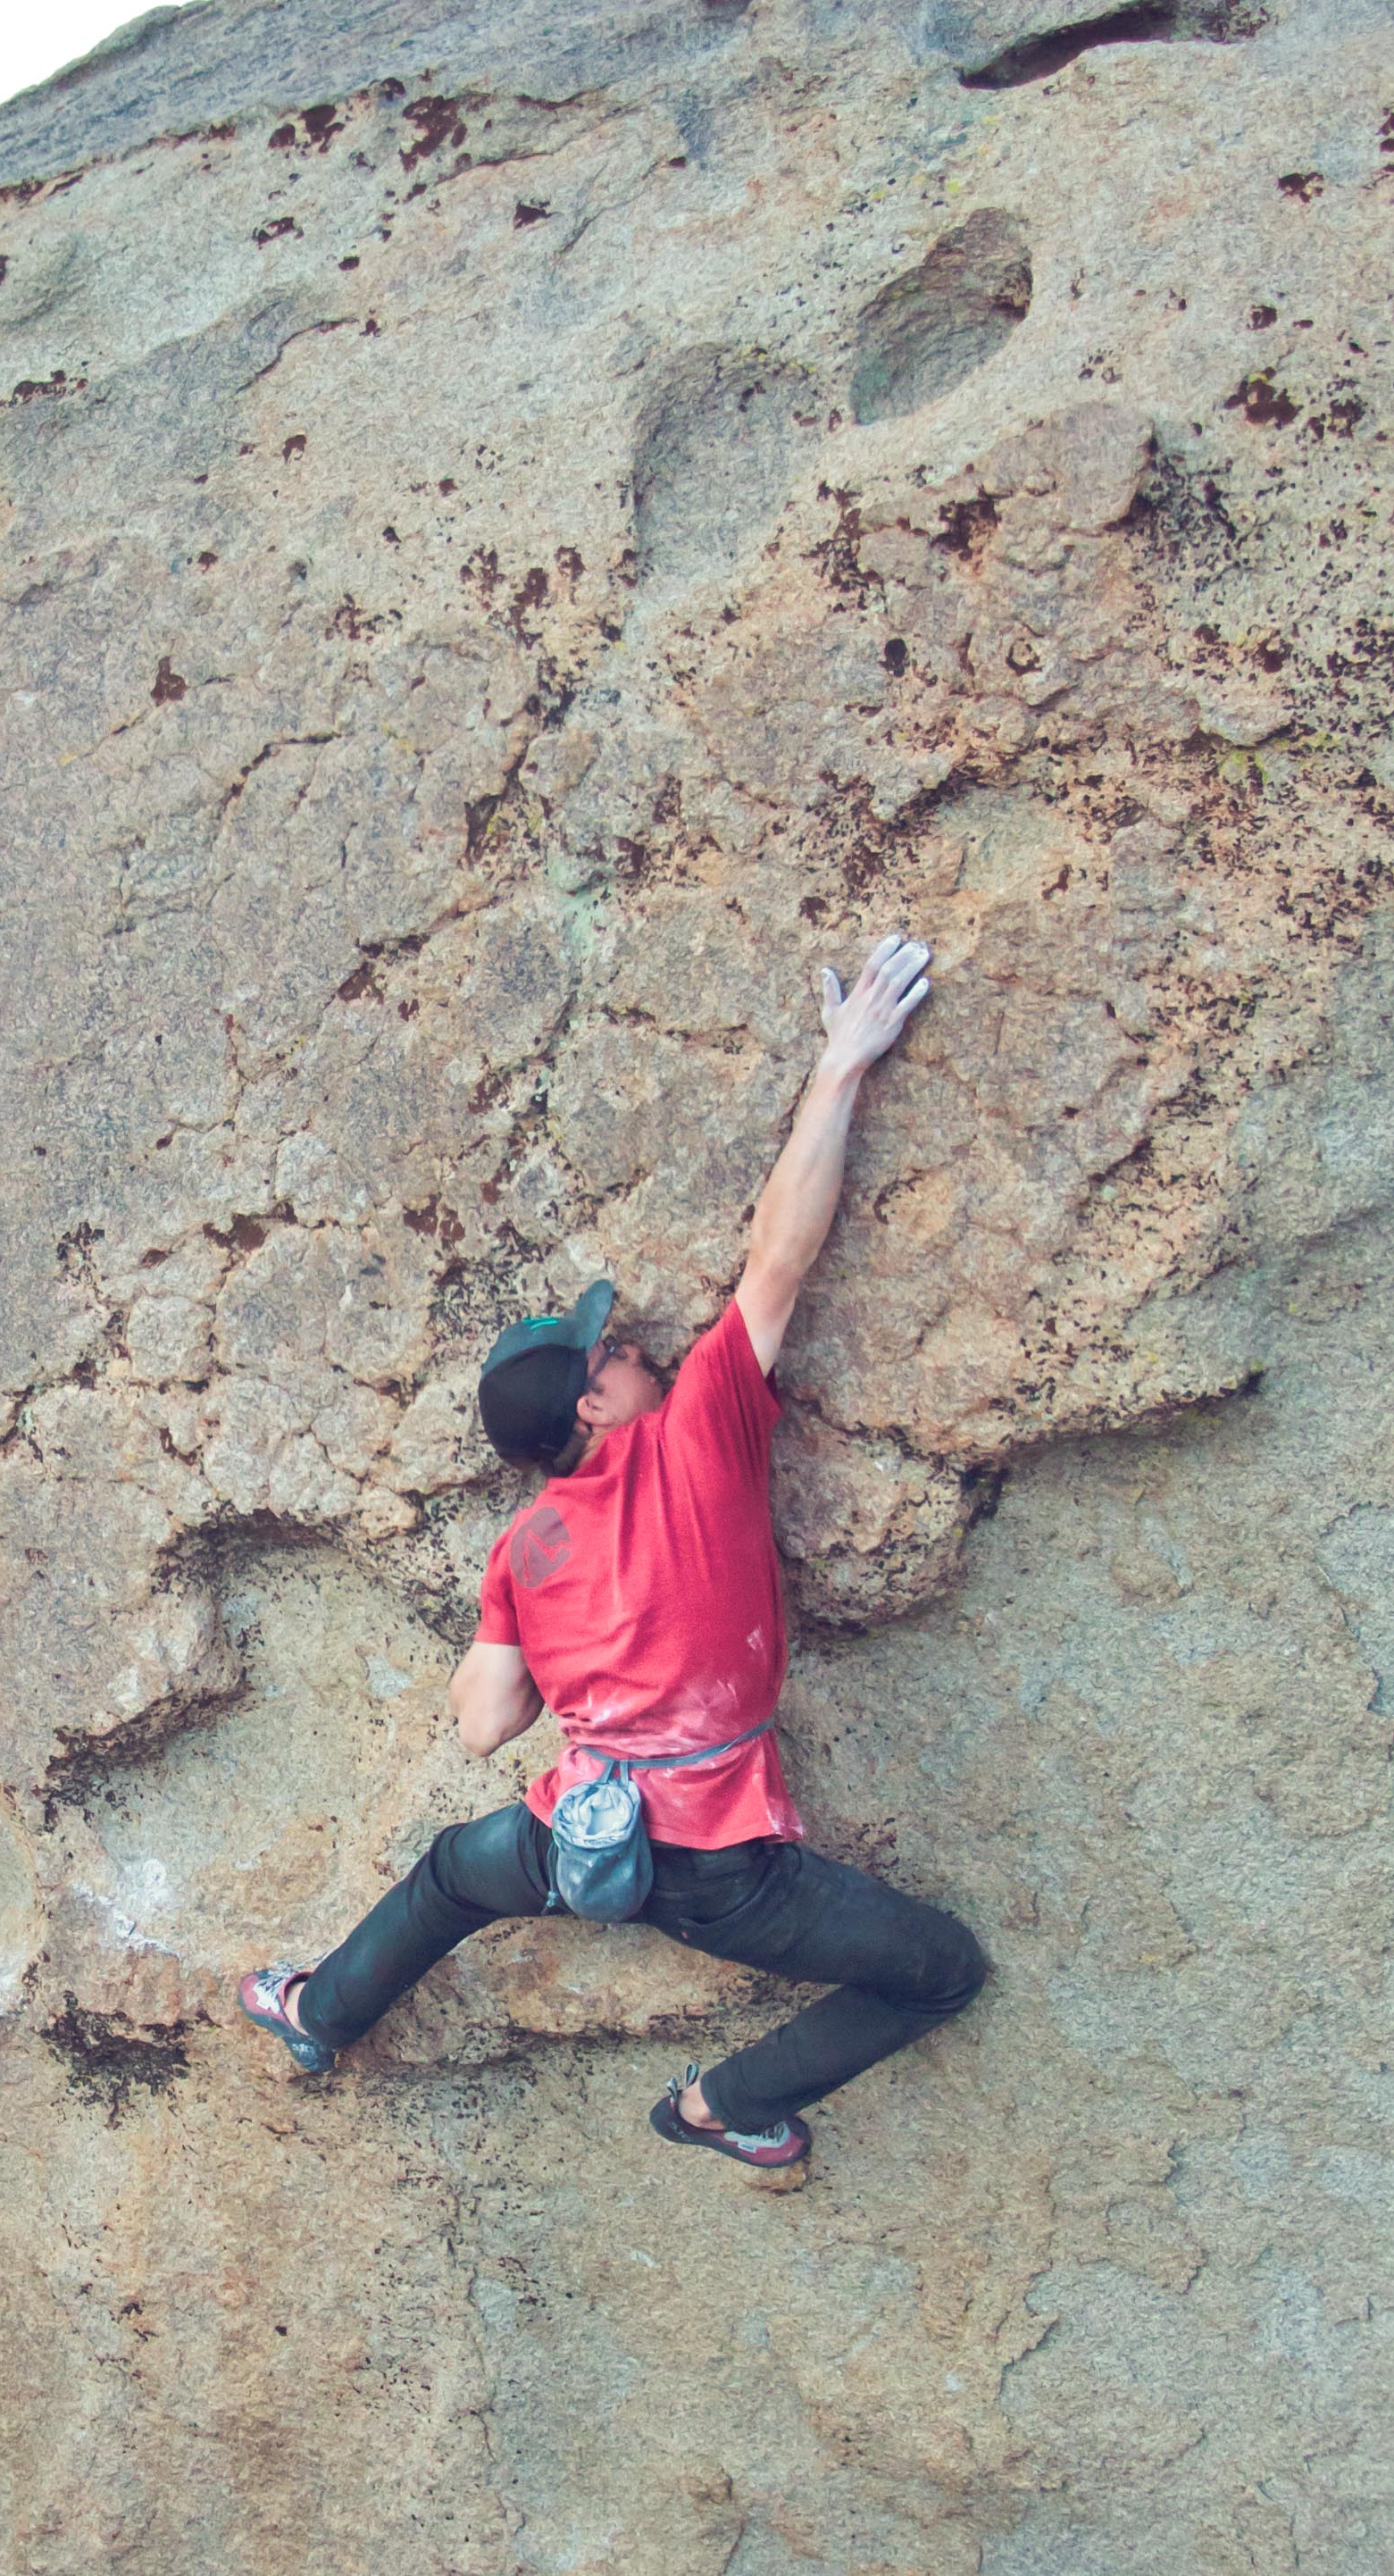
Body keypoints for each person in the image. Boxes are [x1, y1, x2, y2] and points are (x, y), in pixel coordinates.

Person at [238, 933, 983, 2190]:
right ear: (594, 1406)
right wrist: (842, 1065)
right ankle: (720, 2103)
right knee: (943, 1967)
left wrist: (561, 1653)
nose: (634, 1345)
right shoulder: (699, 1435)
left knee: (452, 1875)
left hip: (574, 1831)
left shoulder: (522, 1547)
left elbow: (483, 1723)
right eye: (612, 1353)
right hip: (716, 1866)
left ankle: (316, 2015)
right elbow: (780, 1258)